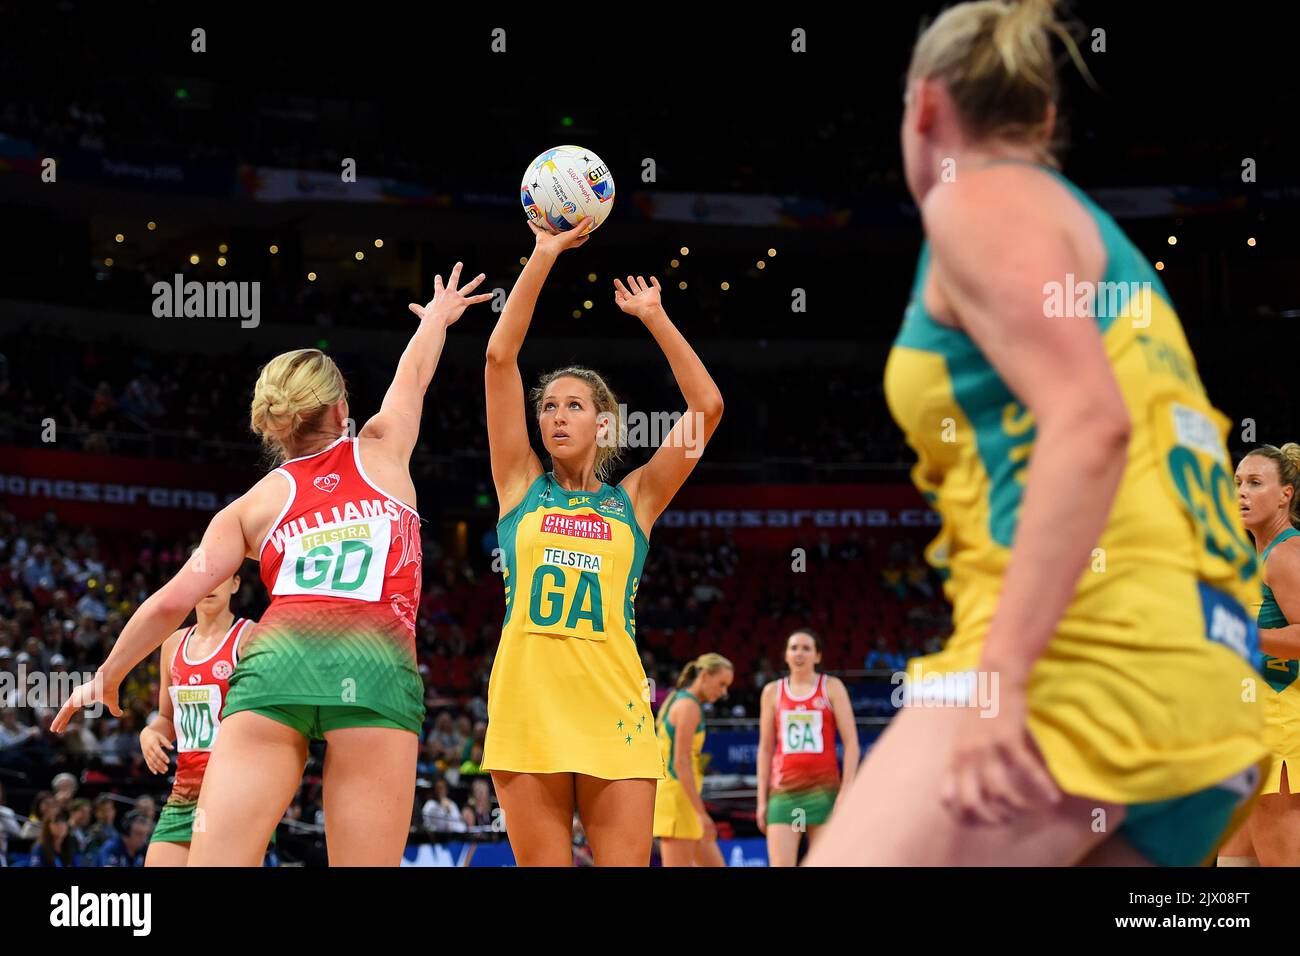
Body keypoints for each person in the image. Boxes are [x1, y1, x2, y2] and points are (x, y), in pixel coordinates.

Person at [808, 0, 1266, 866]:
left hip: (1089, 664)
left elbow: (1091, 425)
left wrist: (1001, 682)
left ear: (926, 108)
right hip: (1204, 676)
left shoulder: (975, 199)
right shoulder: (1093, 236)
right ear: (1046, 117)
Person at [54, 263, 493, 865]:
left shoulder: (252, 505)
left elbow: (169, 603)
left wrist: (108, 672)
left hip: (275, 671)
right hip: (375, 676)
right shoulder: (384, 448)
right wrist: (439, 317)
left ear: (276, 426)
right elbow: (412, 377)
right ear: (342, 411)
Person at [482, 215, 724, 866]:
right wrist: (543, 252)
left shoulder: (636, 501)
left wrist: (654, 316)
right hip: (527, 709)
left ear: (604, 421)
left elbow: (706, 407)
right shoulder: (518, 486)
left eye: (573, 405)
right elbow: (499, 358)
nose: (556, 416)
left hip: (614, 709)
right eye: (548, 407)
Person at [1220, 445, 1300, 865]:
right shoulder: (1256, 557)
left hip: (1282, 731)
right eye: (1237, 483)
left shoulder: (1287, 555)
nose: (1241, 494)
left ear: (1286, 494)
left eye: (1254, 483)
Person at [140, 572, 253, 865]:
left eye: (221, 576)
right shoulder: (173, 644)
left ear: (236, 583)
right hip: (184, 789)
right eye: (202, 577)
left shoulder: (250, 637)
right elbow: (166, 717)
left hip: (234, 790)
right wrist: (150, 733)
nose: (210, 584)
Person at [758, 630, 859, 866]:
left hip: (825, 794)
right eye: (793, 648)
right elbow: (765, 748)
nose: (799, 653)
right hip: (784, 794)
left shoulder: (832, 687)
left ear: (817, 655)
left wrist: (846, 791)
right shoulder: (772, 692)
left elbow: (852, 743)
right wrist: (761, 800)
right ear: (785, 655)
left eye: (806, 648)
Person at [652, 653, 734, 867]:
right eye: (721, 684)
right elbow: (681, 763)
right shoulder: (689, 707)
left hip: (682, 798)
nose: (724, 692)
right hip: (678, 800)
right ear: (705, 676)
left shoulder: (678, 698)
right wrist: (701, 813)